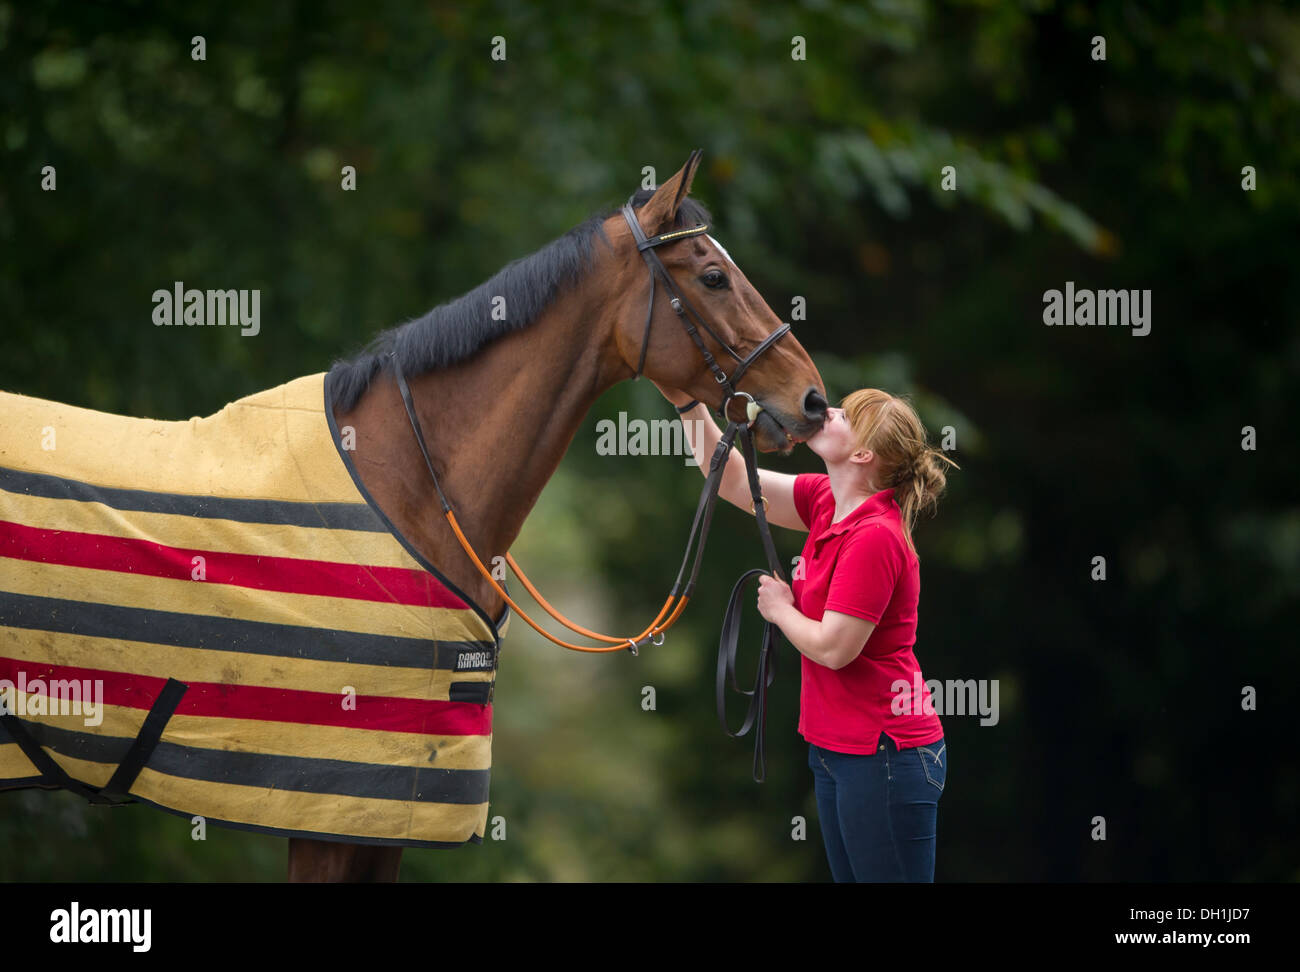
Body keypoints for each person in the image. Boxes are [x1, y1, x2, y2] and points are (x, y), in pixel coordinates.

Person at [654, 383, 958, 882]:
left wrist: (780, 609)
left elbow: (835, 648)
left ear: (862, 453)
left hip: (884, 752)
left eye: (844, 414)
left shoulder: (874, 536)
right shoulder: (825, 501)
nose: (829, 410)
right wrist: (686, 403)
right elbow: (730, 480)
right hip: (838, 749)